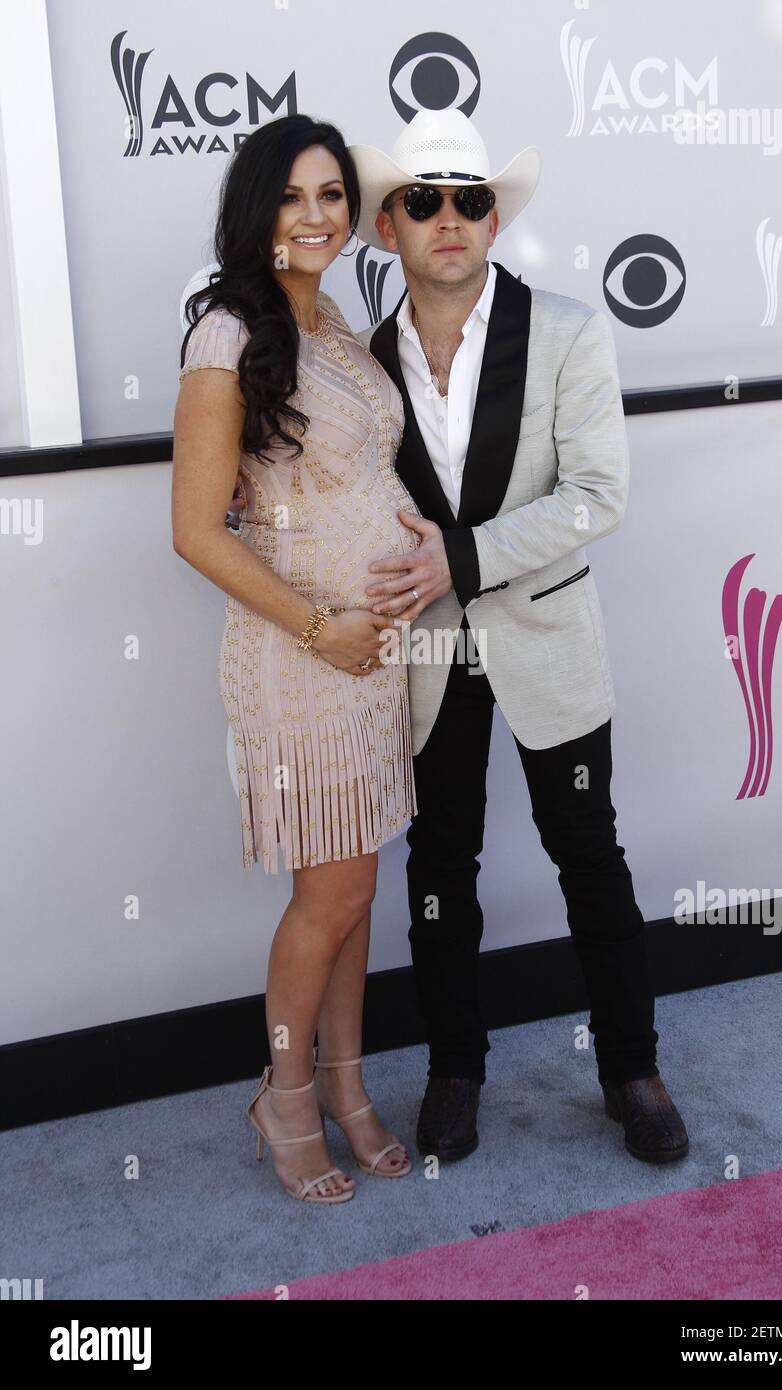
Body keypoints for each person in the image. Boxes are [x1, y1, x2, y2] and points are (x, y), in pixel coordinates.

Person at [349, 109, 689, 1165]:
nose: (447, 218)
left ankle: (631, 1069)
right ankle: (455, 1071)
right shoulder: (360, 364)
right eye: (422, 199)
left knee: (588, 854)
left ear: (494, 218)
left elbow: (596, 495)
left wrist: (463, 557)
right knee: (440, 862)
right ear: (388, 226)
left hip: (544, 639)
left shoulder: (570, 334)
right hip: (425, 658)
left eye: (468, 198)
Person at [171, 114, 422, 1204]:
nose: (314, 217)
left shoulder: (337, 327)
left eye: (331, 196)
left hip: (376, 655)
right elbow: (194, 528)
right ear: (255, 211)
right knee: (331, 893)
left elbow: (366, 476)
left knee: (359, 888)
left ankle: (344, 1082)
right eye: (292, 196)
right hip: (301, 653)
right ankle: (284, 1091)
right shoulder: (226, 333)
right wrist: (322, 626)